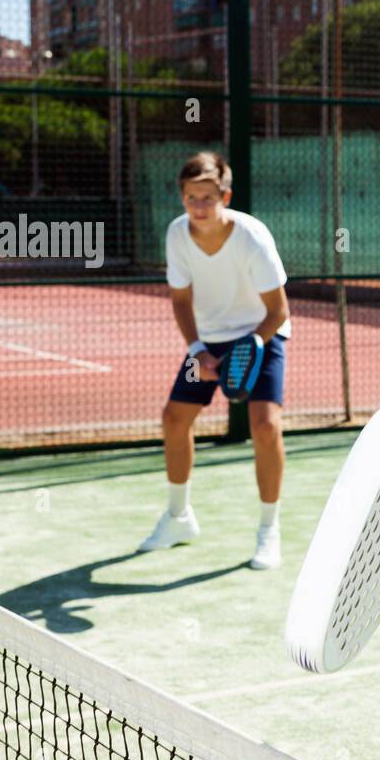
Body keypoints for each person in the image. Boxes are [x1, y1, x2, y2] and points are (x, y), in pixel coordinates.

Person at [138, 151, 292, 570]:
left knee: (265, 425)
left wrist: (248, 349)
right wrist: (198, 352)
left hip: (262, 333)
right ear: (182, 198)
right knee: (174, 418)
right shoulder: (177, 234)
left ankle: (269, 529)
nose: (199, 206)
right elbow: (181, 300)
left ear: (225, 195)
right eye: (191, 197)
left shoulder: (252, 236)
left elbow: (278, 310)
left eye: (207, 197)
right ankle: (178, 518)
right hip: (208, 342)